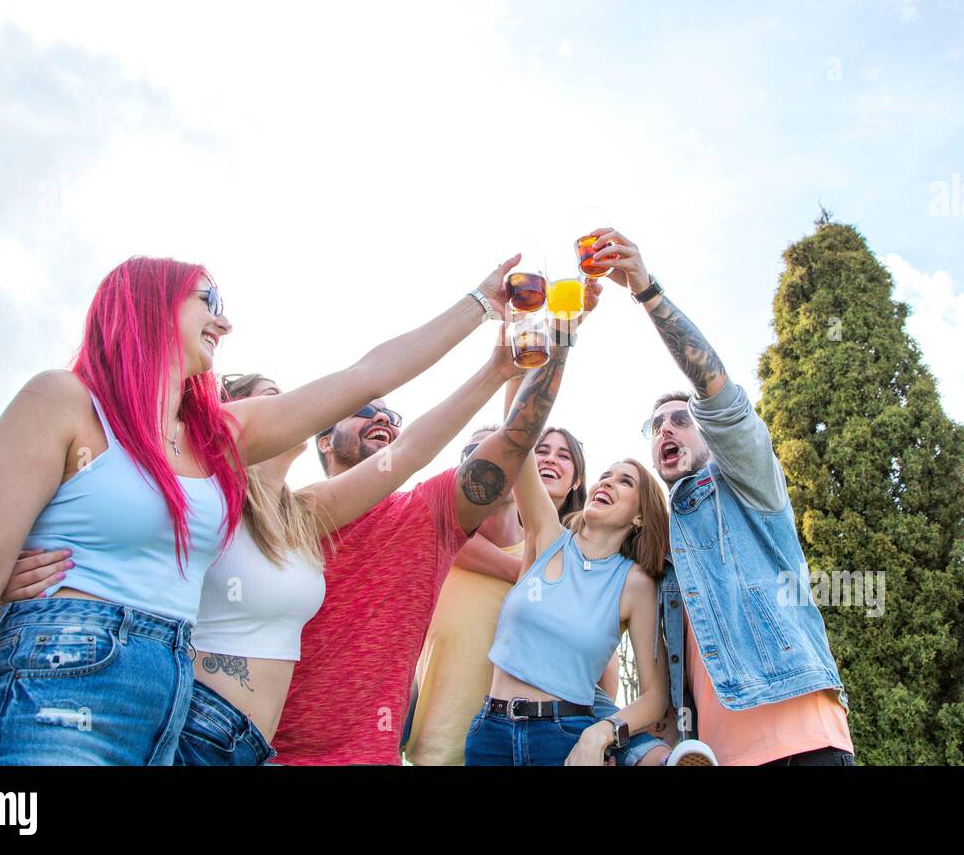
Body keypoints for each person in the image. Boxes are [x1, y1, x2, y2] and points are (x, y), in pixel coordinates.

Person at [0, 254, 518, 765]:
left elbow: (366, 376)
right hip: (62, 680)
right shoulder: (64, 401)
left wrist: (479, 305)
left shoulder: (216, 440)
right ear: (150, 303)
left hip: (169, 700)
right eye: (207, 301)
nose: (224, 321)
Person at [270, 285, 600, 765]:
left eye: (392, 415)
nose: (383, 417)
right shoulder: (276, 516)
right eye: (366, 411)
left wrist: (562, 333)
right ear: (322, 438)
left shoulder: (424, 515)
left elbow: (514, 441)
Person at [588, 228, 856, 766]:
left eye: (682, 421)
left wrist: (646, 290)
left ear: (710, 435)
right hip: (712, 755)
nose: (667, 430)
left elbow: (717, 391)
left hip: (803, 738)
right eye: (656, 424)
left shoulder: (748, 483)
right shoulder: (662, 554)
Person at [464, 432, 671, 766]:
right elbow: (519, 437)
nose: (608, 483)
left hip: (565, 740)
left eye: (624, 481)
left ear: (640, 516)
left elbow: (655, 696)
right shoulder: (548, 535)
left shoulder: (635, 584)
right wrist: (530, 375)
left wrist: (601, 733)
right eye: (605, 476)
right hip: (489, 733)